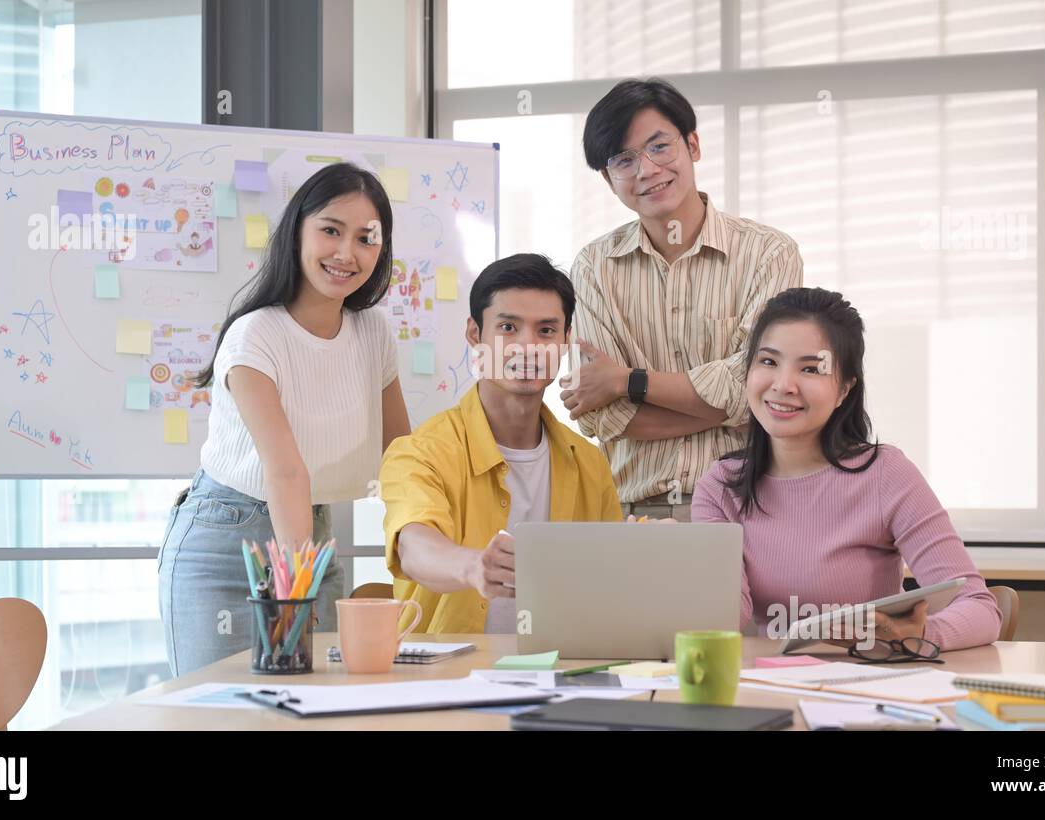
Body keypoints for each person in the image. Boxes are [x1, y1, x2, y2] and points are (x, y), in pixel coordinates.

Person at [158, 163, 411, 675]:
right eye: (331, 231)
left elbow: (401, 454)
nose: (346, 253)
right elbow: (286, 471)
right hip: (227, 544)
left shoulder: (373, 333)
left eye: (366, 238)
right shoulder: (255, 336)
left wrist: (433, 544)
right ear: (298, 230)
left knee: (308, 709)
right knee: (221, 718)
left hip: (309, 536)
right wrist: (296, 594)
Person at [691, 287, 1002, 652]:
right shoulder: (721, 486)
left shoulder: (885, 473)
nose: (783, 385)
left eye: (810, 369)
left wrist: (913, 637)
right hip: (775, 684)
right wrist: (676, 564)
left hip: (870, 690)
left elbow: (980, 609)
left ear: (844, 389)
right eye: (769, 362)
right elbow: (726, 620)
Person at [563, 77, 804, 521]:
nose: (647, 170)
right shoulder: (593, 268)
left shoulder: (769, 254)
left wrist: (627, 380)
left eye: (659, 147)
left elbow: (762, 386)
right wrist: (732, 409)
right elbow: (602, 418)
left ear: (693, 145)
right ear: (607, 177)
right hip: (633, 518)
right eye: (624, 159)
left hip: (752, 515)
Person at [380, 253, 623, 634]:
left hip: (560, 672)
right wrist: (472, 567)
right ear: (475, 335)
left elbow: (611, 581)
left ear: (565, 342)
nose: (528, 346)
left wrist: (648, 552)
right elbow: (413, 547)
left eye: (546, 331)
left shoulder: (589, 462)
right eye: (508, 327)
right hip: (448, 683)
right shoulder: (421, 451)